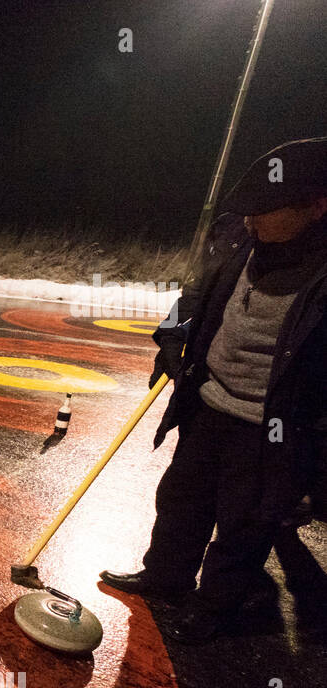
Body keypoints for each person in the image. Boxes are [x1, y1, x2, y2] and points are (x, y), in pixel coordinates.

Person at [100, 136, 327, 645]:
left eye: (265, 211)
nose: (250, 221)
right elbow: (194, 295)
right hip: (208, 402)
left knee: (243, 526)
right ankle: (165, 578)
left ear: (316, 207)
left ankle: (216, 607)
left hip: (269, 428)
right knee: (180, 500)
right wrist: (172, 337)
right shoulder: (241, 240)